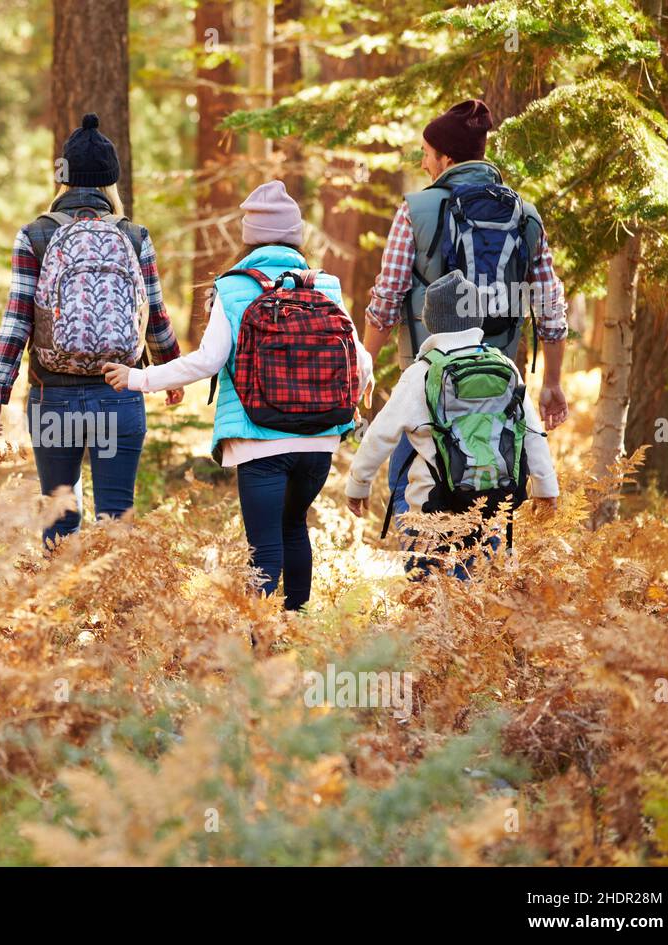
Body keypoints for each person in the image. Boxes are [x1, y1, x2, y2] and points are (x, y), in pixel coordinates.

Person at [103, 181, 373, 610]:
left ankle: (260, 647)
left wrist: (138, 379)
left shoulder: (233, 288)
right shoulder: (326, 285)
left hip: (257, 437)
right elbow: (358, 360)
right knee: (294, 527)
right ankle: (298, 630)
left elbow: (208, 361)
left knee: (263, 546)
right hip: (320, 439)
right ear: (295, 236)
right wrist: (352, 400)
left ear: (250, 237)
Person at [360, 99, 569, 528]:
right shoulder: (525, 216)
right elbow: (550, 307)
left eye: (426, 153)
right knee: (492, 496)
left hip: (430, 385)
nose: (422, 162)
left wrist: (363, 368)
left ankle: (429, 584)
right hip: (499, 386)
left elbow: (386, 300)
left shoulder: (415, 211)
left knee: (417, 491)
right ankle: (480, 589)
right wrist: (551, 382)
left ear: (446, 158)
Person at [0, 113, 184, 546]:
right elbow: (155, 313)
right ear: (111, 181)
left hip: (52, 395)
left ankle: (59, 611)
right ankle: (114, 611)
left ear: (63, 179)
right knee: (115, 519)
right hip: (119, 393)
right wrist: (171, 372)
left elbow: (17, 322)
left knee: (58, 515)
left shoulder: (35, 235)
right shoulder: (133, 235)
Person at [346, 271, 558, 577]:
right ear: (477, 319)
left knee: (430, 588)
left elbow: (379, 436)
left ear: (430, 322)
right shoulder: (504, 365)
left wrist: (359, 484)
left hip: (432, 506)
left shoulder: (420, 373)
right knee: (476, 587)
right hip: (491, 501)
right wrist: (545, 487)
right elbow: (532, 433)